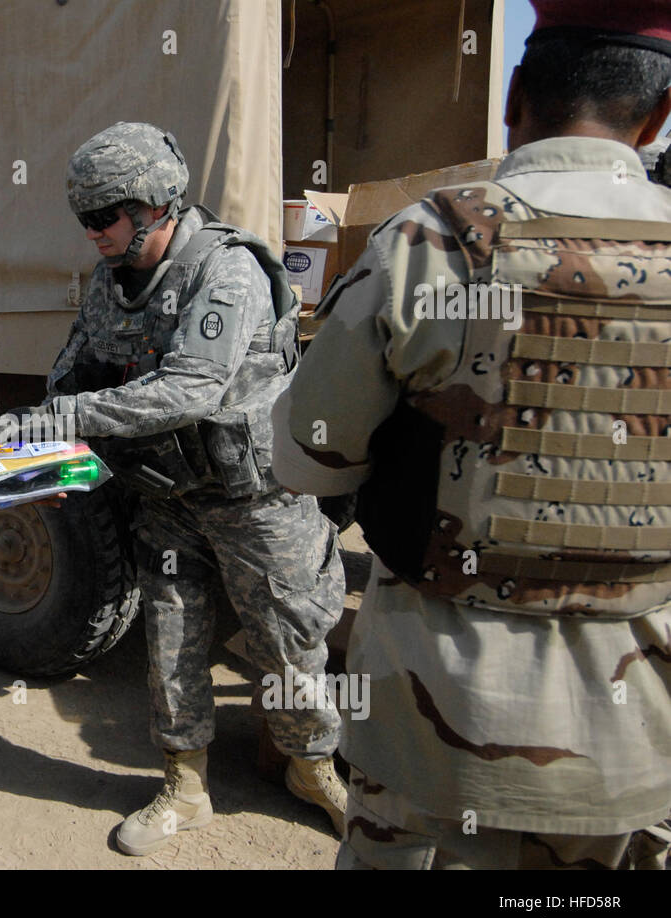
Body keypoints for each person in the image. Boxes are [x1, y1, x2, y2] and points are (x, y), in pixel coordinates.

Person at [272, 0, 671, 869]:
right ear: (661, 113)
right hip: (635, 737)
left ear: (514, 96)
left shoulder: (430, 238)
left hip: (437, 725)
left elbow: (308, 458)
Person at [0, 123, 347, 856]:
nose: (92, 235)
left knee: (289, 643)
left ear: (153, 205)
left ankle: (313, 768)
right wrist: (35, 452)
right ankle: (185, 785)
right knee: (171, 642)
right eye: (83, 221)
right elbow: (72, 373)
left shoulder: (226, 271)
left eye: (103, 218)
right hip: (168, 497)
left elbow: (191, 388)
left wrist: (68, 414)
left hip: (255, 500)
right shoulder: (112, 282)